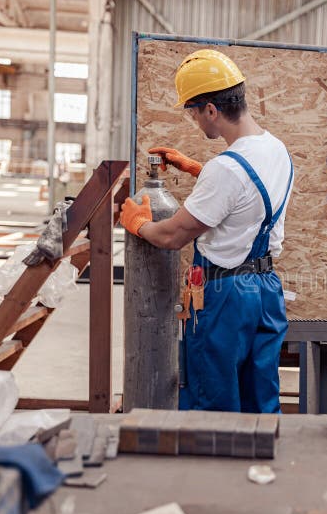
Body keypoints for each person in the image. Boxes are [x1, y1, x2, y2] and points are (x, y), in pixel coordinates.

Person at [119, 49, 294, 414]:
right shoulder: (276, 150)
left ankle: (213, 471)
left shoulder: (226, 170)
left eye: (194, 112)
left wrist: (137, 223)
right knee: (260, 399)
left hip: (226, 296)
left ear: (211, 109)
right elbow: (247, 198)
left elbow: (171, 236)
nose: (196, 121)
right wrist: (199, 170)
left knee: (214, 403)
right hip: (265, 291)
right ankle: (261, 467)